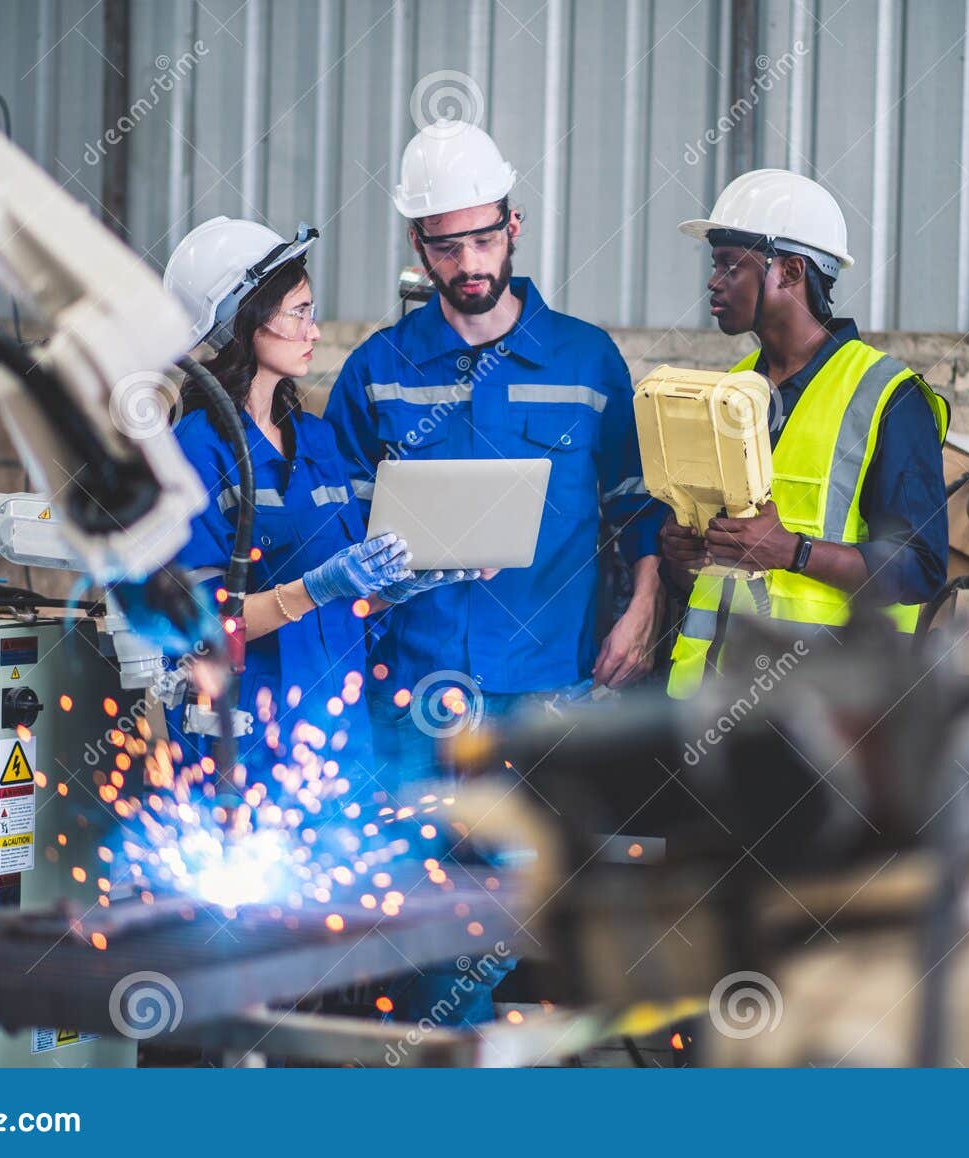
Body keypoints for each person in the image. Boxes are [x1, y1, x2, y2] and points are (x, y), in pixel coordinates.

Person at [323, 123, 668, 1024]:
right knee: (417, 916)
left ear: (515, 225)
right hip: (413, 692)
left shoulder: (587, 362)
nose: (469, 261)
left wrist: (642, 606)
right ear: (418, 248)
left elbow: (637, 505)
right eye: (447, 245)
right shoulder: (378, 372)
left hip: (548, 691)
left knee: (540, 920)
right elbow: (336, 537)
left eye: (483, 237)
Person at [160, 216, 473, 784]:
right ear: (241, 321)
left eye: (311, 311)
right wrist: (315, 587)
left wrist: (397, 588)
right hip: (241, 743)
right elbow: (199, 625)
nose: (314, 330)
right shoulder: (195, 451)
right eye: (298, 313)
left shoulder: (319, 439)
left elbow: (343, 601)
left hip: (334, 738)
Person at [661, 169, 951, 698]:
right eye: (715, 264)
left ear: (790, 270)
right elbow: (708, 580)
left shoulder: (888, 396)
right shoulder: (729, 390)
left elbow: (921, 569)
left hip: (821, 721)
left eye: (731, 264)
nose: (713, 280)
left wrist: (791, 552)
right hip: (703, 712)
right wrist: (684, 556)